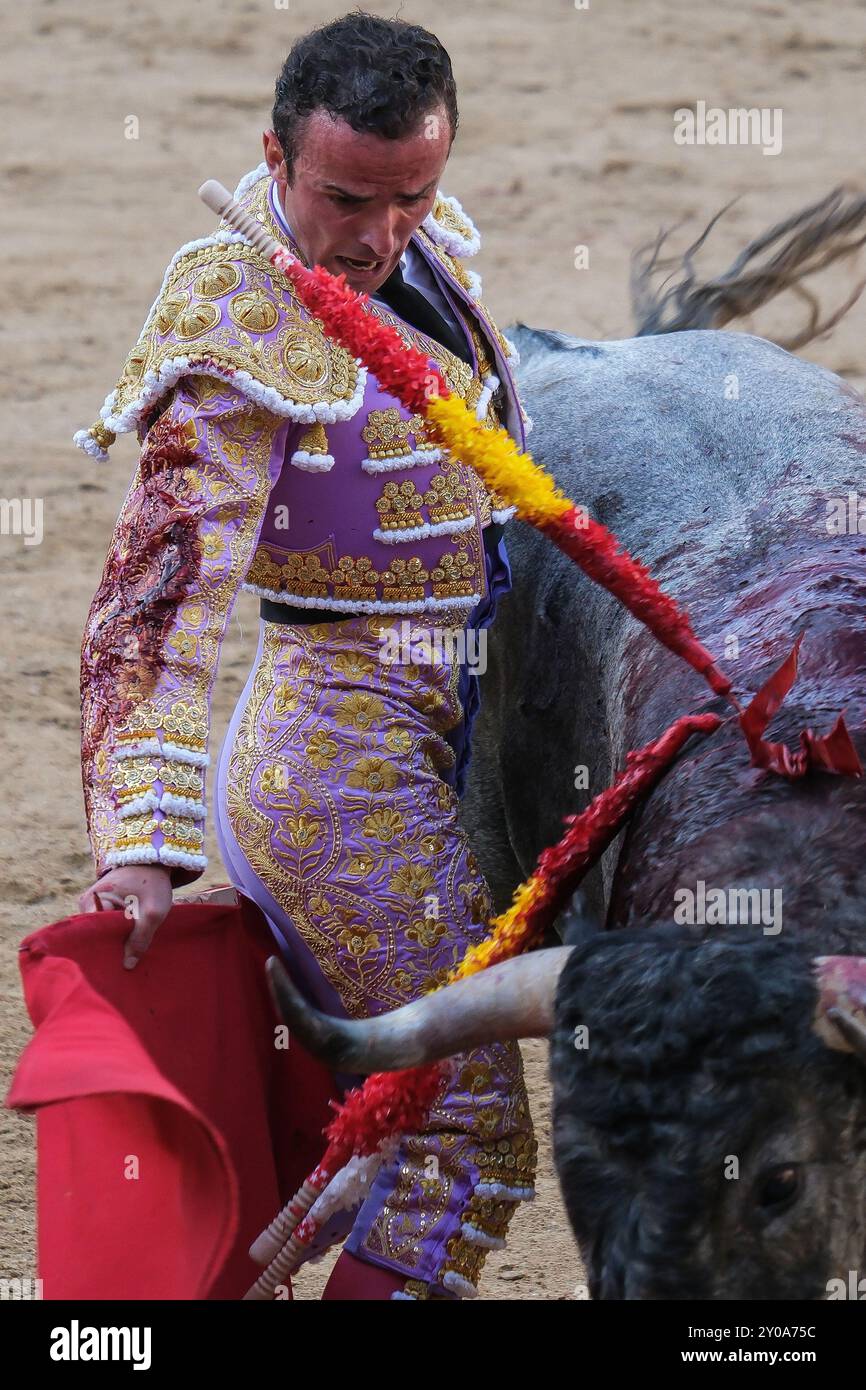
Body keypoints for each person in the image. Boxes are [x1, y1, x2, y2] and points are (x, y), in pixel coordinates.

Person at [75, 11, 536, 1300]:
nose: (381, 235)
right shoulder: (237, 323)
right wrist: (140, 839)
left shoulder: (425, 254)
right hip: (334, 772)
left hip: (437, 740)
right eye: (346, 198)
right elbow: (156, 601)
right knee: (462, 1133)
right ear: (272, 159)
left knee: (391, 1124)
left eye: (413, 195)